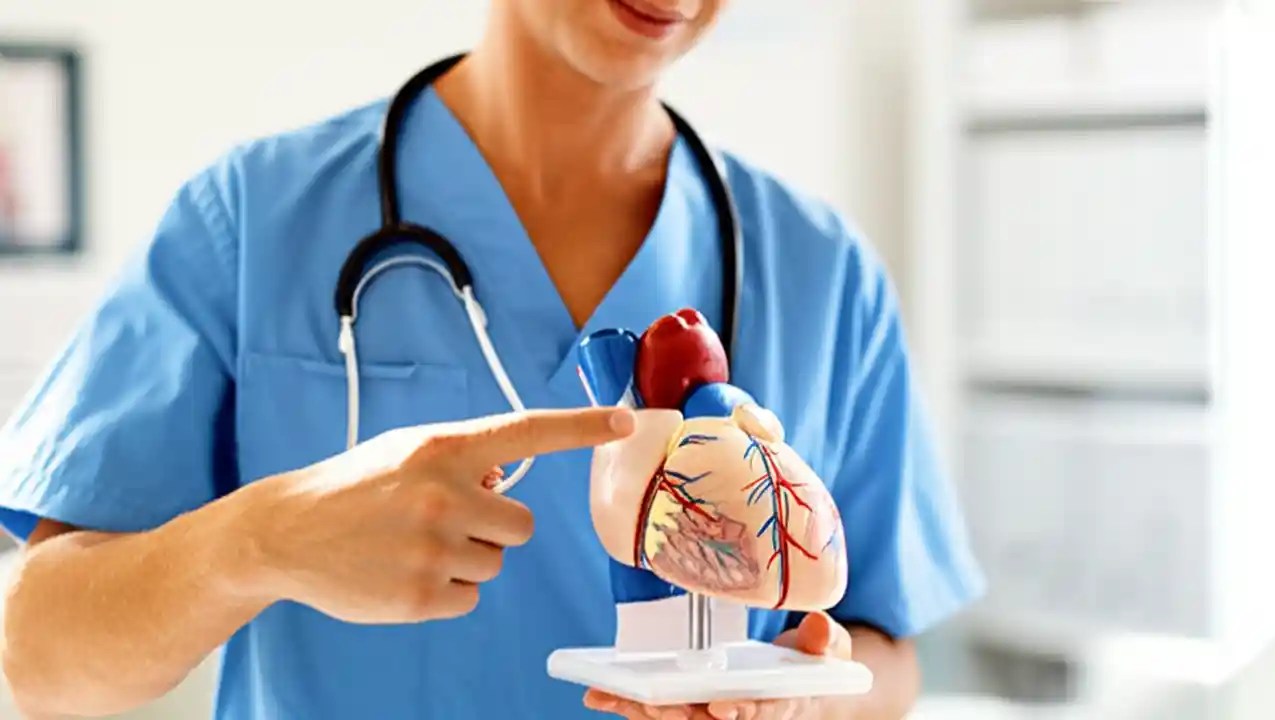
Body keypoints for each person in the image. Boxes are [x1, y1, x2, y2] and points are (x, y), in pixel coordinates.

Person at [0, 1, 984, 718]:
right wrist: (266, 540)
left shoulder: (819, 268)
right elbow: (39, 657)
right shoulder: (255, 220)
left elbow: (884, 652)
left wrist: (807, 705)